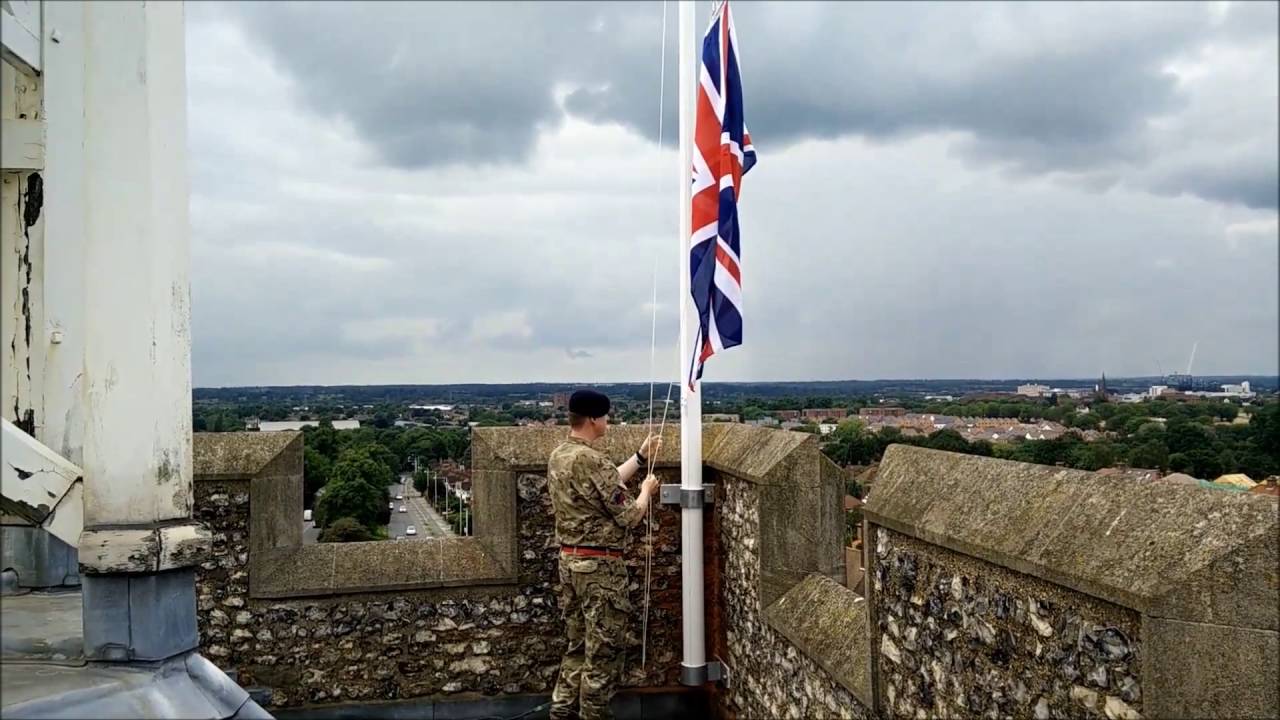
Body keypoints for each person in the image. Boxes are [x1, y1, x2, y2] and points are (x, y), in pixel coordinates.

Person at [548, 389, 662, 720]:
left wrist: (639, 458)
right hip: (598, 569)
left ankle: (561, 712)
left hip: (570, 562)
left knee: (577, 646)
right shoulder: (591, 459)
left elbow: (605, 484)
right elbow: (628, 515)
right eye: (606, 416)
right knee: (602, 654)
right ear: (595, 419)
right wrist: (645, 492)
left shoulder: (562, 454)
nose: (608, 421)